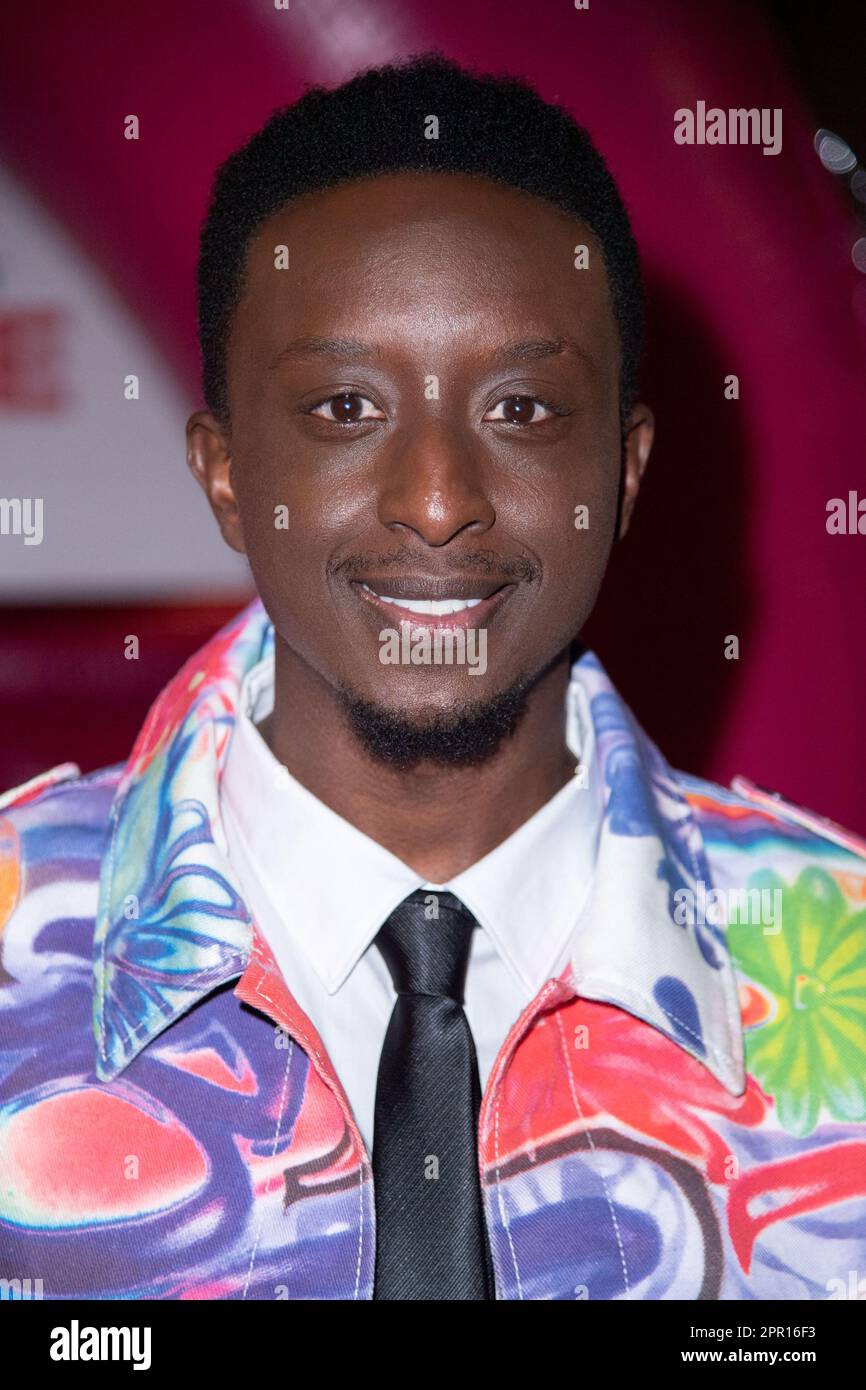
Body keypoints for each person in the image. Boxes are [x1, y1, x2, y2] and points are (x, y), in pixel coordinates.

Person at [1, 53, 864, 1303]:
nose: (438, 500)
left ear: (621, 473)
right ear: (226, 470)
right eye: (345, 406)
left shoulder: (840, 960)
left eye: (521, 410)